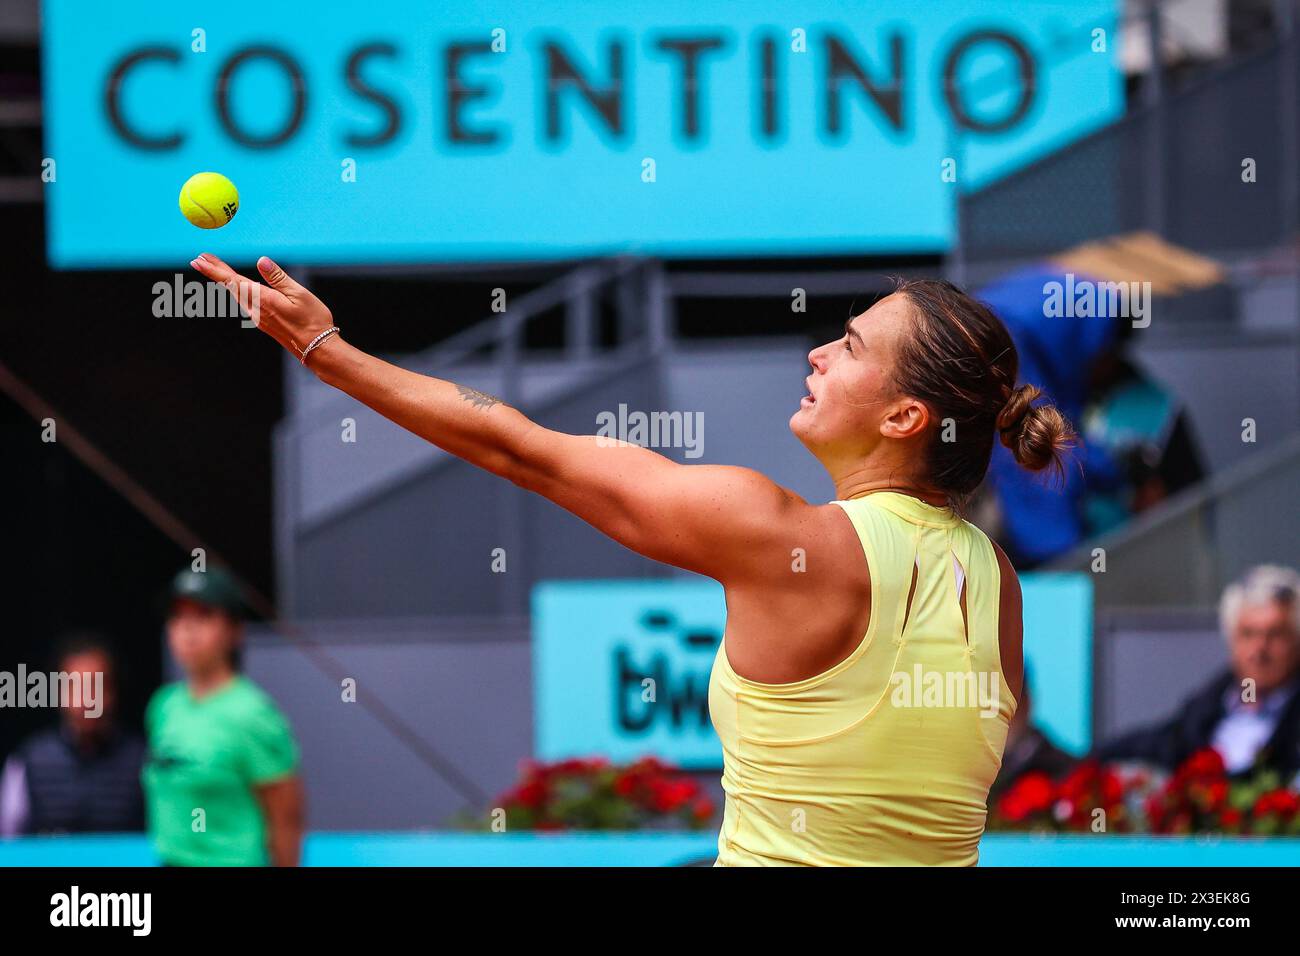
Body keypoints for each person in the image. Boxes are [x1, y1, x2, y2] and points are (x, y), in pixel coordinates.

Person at [190, 253, 1074, 866]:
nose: (816, 352)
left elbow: (521, 450)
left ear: (904, 418)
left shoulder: (788, 538)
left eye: (848, 347)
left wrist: (325, 351)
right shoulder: (994, 580)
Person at [143, 566, 304, 866]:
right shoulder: (163, 706)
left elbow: (286, 820)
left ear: (234, 631)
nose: (187, 630)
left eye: (203, 616)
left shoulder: (252, 714)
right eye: (177, 617)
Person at [1095, 565, 1300, 779]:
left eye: (1275, 634)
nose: (1259, 649)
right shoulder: (1205, 709)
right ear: (1231, 640)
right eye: (1248, 634)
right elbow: (1155, 744)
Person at [0, 634, 145, 836]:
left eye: (96, 685)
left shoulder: (144, 761)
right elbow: (8, 840)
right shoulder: (27, 760)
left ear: (112, 691)